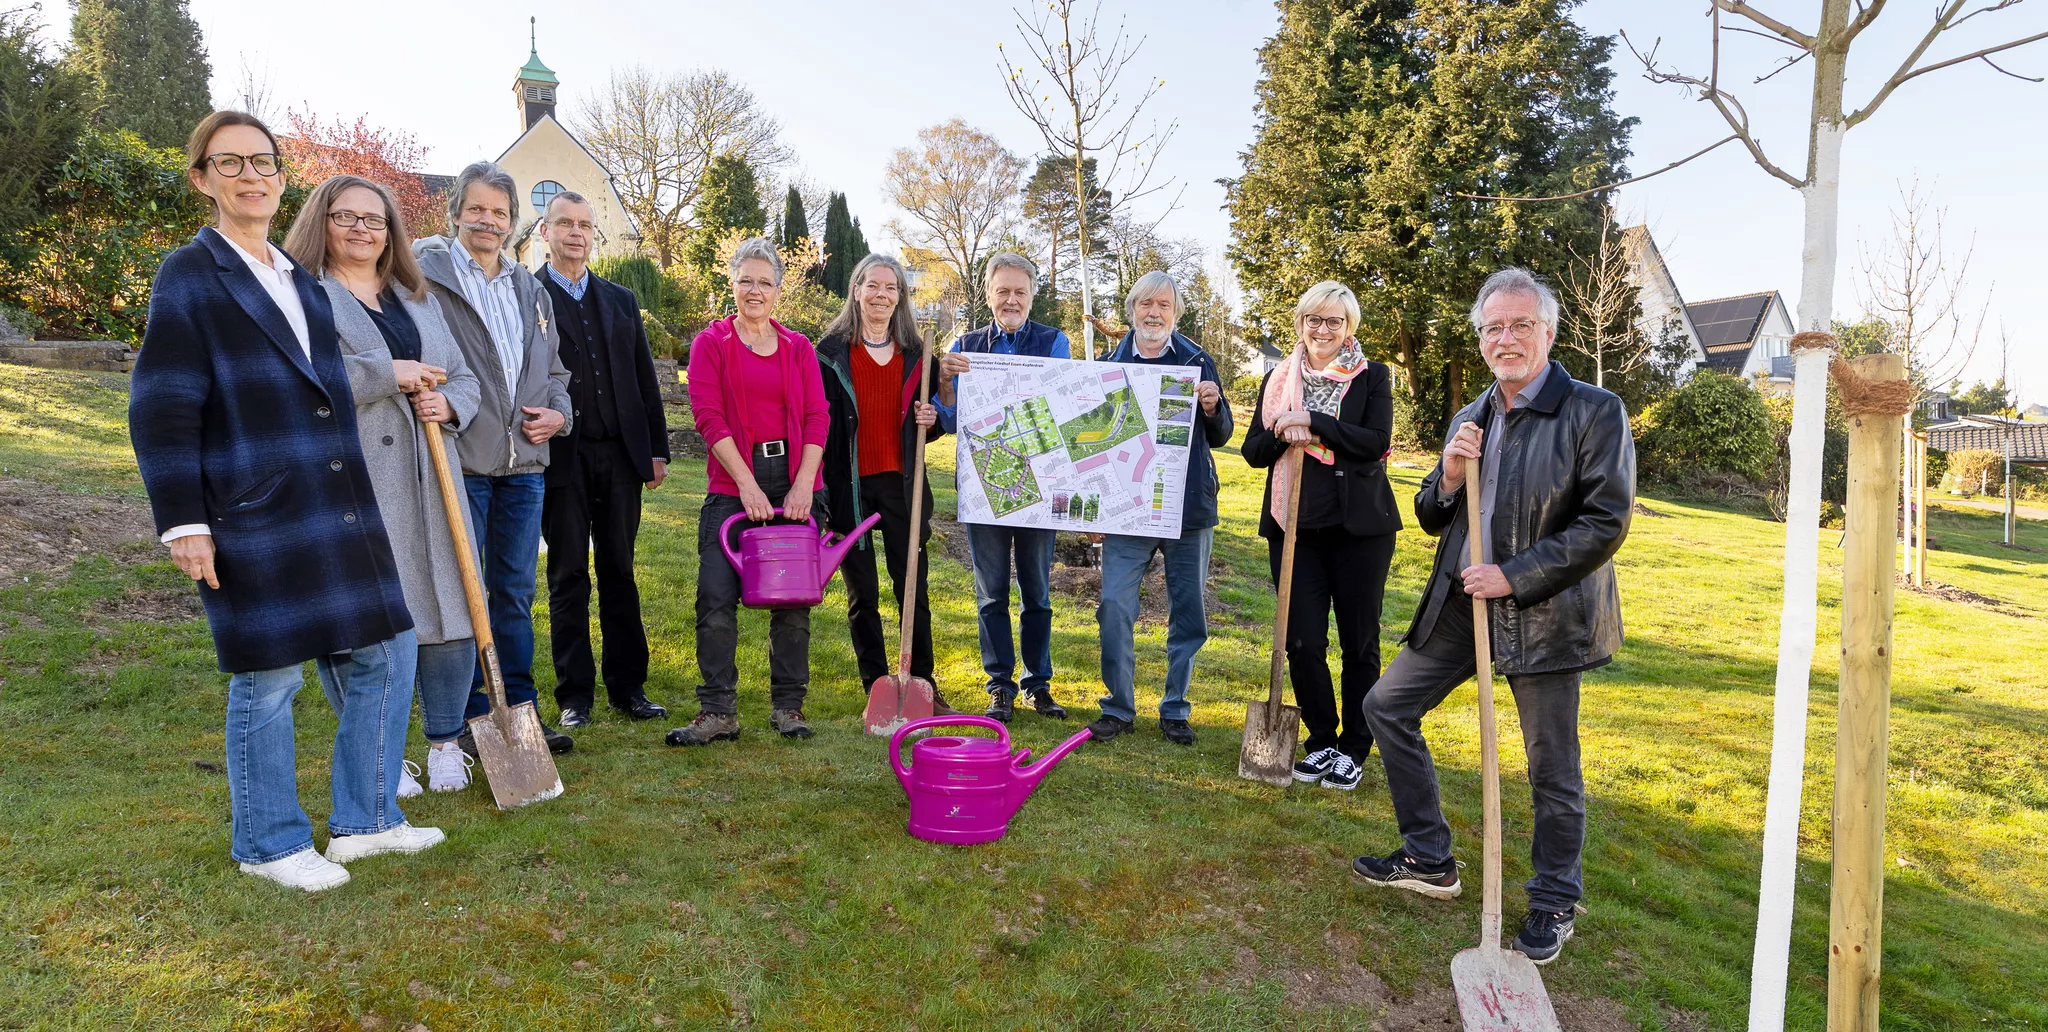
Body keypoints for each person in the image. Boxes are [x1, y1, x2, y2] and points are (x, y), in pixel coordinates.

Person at [131, 112, 442, 893]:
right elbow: (162, 405)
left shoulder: (299, 280)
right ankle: (268, 844)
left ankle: (367, 822)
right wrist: (185, 522)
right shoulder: (190, 275)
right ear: (202, 178)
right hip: (251, 510)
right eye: (229, 163)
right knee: (268, 678)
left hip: (336, 502)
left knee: (385, 649)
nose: (250, 176)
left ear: (280, 176)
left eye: (263, 162)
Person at [1351, 267, 1635, 968]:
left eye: (1520, 325)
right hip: (1462, 603)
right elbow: (1430, 513)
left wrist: (1514, 574)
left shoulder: (1594, 411)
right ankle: (1429, 857)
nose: (1506, 339)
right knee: (1386, 706)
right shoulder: (1471, 415)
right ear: (1480, 338)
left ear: (1549, 332)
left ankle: (1554, 900)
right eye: (1493, 328)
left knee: (1551, 765)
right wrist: (1448, 476)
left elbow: (1605, 521)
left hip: (1545, 612)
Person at [282, 174, 484, 798]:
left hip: (433, 478)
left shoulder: (416, 298)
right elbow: (293, 377)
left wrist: (450, 406)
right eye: (345, 217)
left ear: (391, 231)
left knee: (451, 609)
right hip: (355, 481)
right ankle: (378, 752)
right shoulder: (301, 295)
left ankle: (446, 743)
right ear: (321, 222)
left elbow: (464, 377)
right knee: (360, 617)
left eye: (374, 219)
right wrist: (384, 374)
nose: (361, 230)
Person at [412, 162, 575, 755]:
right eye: (477, 209)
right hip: (462, 458)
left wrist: (560, 415)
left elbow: (555, 372)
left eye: (499, 213)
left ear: (512, 223)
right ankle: (470, 714)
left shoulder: (529, 288)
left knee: (513, 593)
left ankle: (520, 712)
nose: (488, 221)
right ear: (456, 211)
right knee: (463, 593)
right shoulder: (423, 277)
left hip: (524, 466)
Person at [668, 237, 833, 745]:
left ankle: (789, 707)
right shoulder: (710, 344)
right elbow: (708, 417)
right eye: (746, 281)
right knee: (715, 596)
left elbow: (817, 416)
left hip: (795, 481)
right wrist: (746, 484)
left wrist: (803, 483)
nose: (755, 290)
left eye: (765, 282)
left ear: (779, 290)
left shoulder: (798, 348)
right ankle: (718, 711)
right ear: (732, 284)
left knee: (792, 600)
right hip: (732, 482)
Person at [1241, 281, 1401, 789]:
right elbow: (1252, 451)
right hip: (1294, 529)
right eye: (1315, 319)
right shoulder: (1278, 379)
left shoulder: (1373, 376)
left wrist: (1314, 421)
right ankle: (1323, 740)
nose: (1324, 329)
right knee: (1302, 641)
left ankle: (1354, 747)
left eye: (1335, 321)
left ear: (1349, 326)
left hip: (1360, 531)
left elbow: (1375, 442)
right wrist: (1282, 431)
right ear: (1301, 323)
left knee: (1359, 642)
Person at [534, 192, 671, 728]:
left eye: (585, 225)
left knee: (619, 569)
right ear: (544, 232)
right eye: (565, 223)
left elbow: (644, 378)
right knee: (567, 574)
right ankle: (575, 697)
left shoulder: (620, 299)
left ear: (594, 235)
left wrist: (656, 450)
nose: (576, 233)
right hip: (559, 458)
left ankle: (628, 687)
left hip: (619, 456)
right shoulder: (529, 295)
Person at [1087, 271, 1234, 745]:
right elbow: (1090, 446)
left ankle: (1175, 709)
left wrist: (1212, 408)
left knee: (1188, 614)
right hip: (1127, 510)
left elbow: (1222, 434)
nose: (1154, 313)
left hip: (1188, 509)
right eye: (1145, 304)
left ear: (1175, 313)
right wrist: (1091, 511)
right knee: (1114, 606)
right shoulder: (1109, 365)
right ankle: (1118, 707)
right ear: (1131, 309)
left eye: (1163, 305)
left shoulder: (1196, 360)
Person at [814, 254, 958, 711]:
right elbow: (818, 422)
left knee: (912, 588)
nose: (881, 295)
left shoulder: (917, 353)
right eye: (872, 285)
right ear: (856, 290)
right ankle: (875, 686)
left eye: (891, 288)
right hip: (850, 488)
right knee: (862, 595)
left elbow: (934, 423)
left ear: (900, 297)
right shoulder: (829, 354)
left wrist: (931, 417)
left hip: (903, 487)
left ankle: (923, 685)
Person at [934, 252, 1071, 722]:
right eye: (1003, 291)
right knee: (991, 594)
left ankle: (1038, 685)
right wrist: (945, 380)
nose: (1011, 300)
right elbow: (949, 419)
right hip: (984, 485)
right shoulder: (966, 346)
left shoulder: (1054, 342)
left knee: (1037, 592)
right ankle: (999, 687)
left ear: (1032, 295)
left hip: (1039, 484)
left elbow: (1061, 406)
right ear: (989, 294)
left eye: (1020, 292)